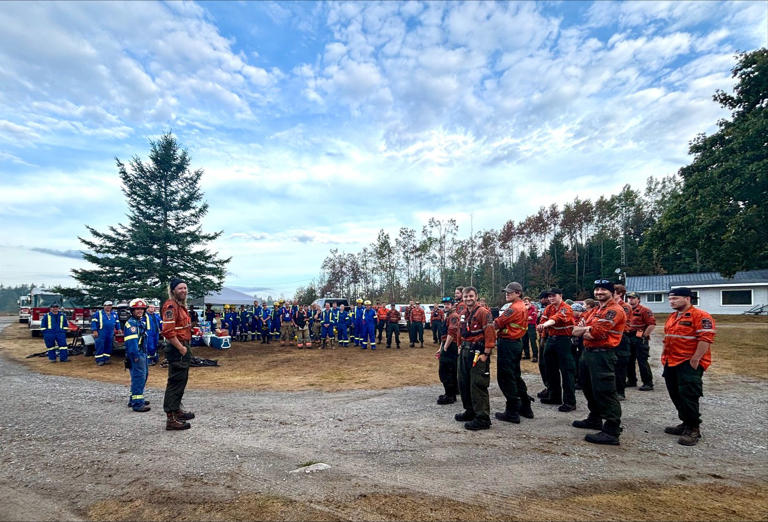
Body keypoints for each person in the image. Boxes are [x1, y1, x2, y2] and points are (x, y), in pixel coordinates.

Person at [571, 280, 626, 445]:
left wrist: (586, 329)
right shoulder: (595, 310)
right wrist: (585, 329)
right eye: (597, 289)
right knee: (588, 387)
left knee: (605, 391)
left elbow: (598, 332)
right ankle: (595, 418)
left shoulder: (614, 310)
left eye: (603, 289)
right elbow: (574, 329)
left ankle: (612, 430)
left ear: (611, 292)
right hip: (588, 353)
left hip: (603, 355)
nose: (599, 292)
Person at [662, 287, 715, 446]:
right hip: (671, 361)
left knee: (689, 394)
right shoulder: (673, 316)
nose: (671, 302)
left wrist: (696, 358)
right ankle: (685, 422)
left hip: (688, 362)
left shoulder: (701, 316)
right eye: (670, 299)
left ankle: (693, 429)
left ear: (687, 298)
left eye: (675, 298)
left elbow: (705, 338)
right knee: (675, 393)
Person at [455, 286, 497, 431]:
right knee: (464, 383)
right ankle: (470, 411)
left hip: (478, 354)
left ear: (476, 297)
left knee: (477, 384)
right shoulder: (463, 313)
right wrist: (459, 345)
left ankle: (482, 418)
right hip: (465, 351)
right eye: (466, 296)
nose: (468, 299)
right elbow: (460, 331)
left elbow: (490, 333)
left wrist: (486, 353)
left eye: (471, 296)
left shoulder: (483, 313)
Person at [493, 282, 533, 423]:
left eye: (510, 292)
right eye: (506, 291)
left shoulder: (513, 308)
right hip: (515, 343)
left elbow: (498, 323)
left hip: (508, 344)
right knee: (515, 376)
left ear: (518, 293)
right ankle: (525, 406)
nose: (507, 294)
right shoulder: (522, 306)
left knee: (506, 377)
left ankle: (512, 412)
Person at [161, 278, 195, 431]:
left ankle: (176, 410)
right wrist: (181, 348)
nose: (183, 291)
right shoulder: (170, 306)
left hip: (183, 346)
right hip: (177, 348)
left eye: (185, 288)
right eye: (180, 288)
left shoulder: (180, 306)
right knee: (175, 382)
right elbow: (168, 331)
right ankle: (171, 418)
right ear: (173, 290)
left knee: (181, 380)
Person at [536, 288, 576, 412]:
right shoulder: (549, 308)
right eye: (549, 296)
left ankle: (570, 402)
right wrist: (543, 334)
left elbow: (555, 319)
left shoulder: (566, 308)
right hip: (551, 339)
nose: (551, 298)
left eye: (554, 295)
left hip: (564, 340)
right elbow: (543, 319)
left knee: (566, 371)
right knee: (550, 369)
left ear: (560, 295)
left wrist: (544, 325)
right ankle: (554, 396)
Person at [124, 298, 151, 412]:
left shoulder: (140, 322)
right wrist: (135, 356)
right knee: (138, 377)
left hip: (142, 353)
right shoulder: (131, 324)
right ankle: (137, 403)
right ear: (132, 311)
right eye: (137, 309)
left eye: (142, 309)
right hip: (136, 354)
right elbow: (132, 343)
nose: (140, 311)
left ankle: (134, 398)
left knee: (142, 376)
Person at [626, 292, 656, 391]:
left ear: (638, 299)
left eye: (633, 298)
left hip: (639, 337)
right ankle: (631, 380)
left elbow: (651, 324)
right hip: (628, 337)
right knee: (629, 360)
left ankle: (648, 383)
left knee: (642, 361)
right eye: (629, 298)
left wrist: (644, 336)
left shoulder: (644, 310)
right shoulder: (626, 310)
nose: (631, 300)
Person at [435, 297, 459, 404]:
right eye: (445, 304)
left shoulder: (453, 316)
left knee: (446, 371)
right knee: (447, 371)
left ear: (453, 305)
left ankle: (450, 396)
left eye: (448, 304)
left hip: (450, 346)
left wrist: (445, 347)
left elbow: (452, 333)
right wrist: (441, 348)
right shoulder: (448, 316)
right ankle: (450, 393)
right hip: (447, 344)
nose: (446, 306)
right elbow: (444, 335)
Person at [612, 284, 632, 400]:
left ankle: (620, 391)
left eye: (613, 292)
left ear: (619, 294)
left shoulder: (625, 307)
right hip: (612, 337)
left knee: (620, 366)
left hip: (622, 337)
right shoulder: (609, 306)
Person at [91, 300, 120, 366]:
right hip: (101, 332)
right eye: (107, 305)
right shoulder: (98, 313)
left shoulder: (114, 314)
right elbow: (93, 322)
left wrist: (118, 328)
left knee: (108, 345)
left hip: (110, 332)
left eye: (110, 305)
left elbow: (117, 322)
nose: (109, 307)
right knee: (100, 345)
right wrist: (94, 330)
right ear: (104, 306)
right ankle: (99, 360)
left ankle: (106, 358)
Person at [521, 297, 538, 362]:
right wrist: (527, 317)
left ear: (529, 302)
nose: (525, 303)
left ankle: (535, 356)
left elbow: (533, 317)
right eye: (524, 302)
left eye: (526, 301)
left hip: (531, 326)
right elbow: (521, 317)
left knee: (533, 341)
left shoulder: (533, 308)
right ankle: (527, 355)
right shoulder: (523, 309)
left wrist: (525, 318)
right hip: (524, 326)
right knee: (524, 341)